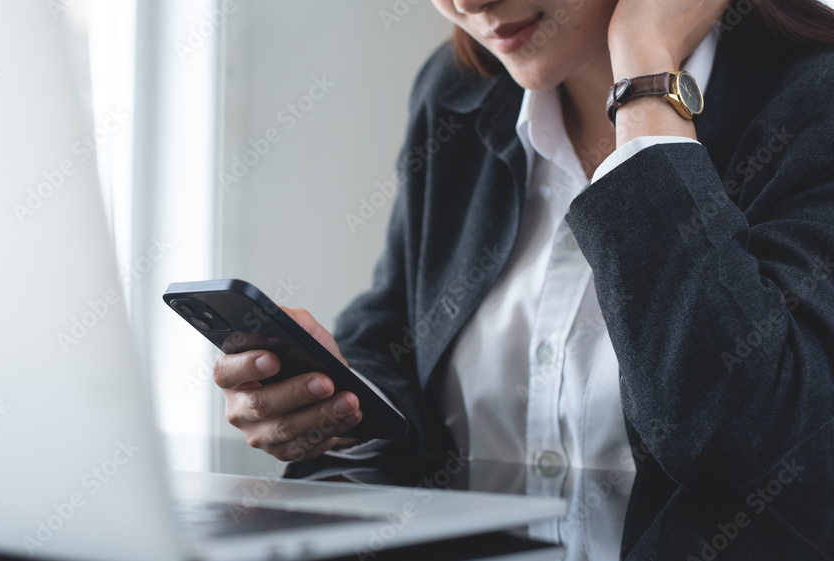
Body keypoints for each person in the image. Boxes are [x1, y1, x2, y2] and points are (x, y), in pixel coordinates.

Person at [212, 0, 834, 489]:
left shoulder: (814, 103)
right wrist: (336, 408)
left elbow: (736, 434)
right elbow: (399, 336)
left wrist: (646, 73)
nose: (468, 2)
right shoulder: (458, 93)